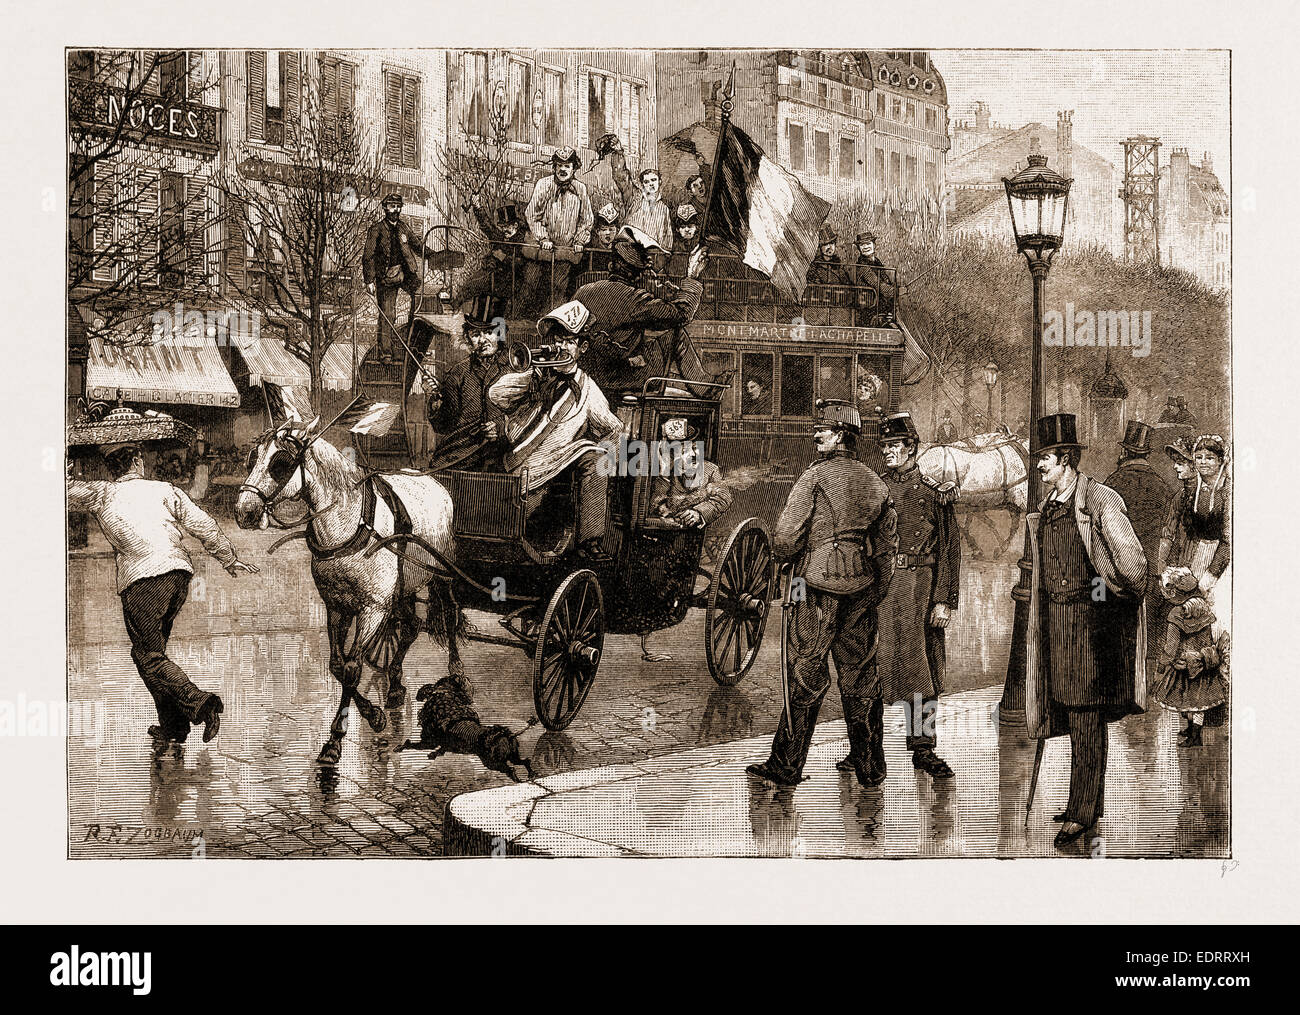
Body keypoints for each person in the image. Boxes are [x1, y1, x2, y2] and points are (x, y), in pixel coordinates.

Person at [746, 399, 899, 788]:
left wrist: (787, 558)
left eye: (824, 430)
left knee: (805, 676)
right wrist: (873, 592)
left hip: (813, 586)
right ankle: (871, 769)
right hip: (862, 586)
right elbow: (885, 551)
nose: (817, 434)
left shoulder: (813, 477)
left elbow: (784, 537)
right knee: (862, 679)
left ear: (841, 435)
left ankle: (786, 767)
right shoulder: (876, 482)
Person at [67, 441, 260, 746]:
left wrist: (65, 477)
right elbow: (203, 523)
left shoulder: (101, 492)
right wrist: (228, 557)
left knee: (147, 656)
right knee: (154, 654)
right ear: (138, 461)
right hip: (177, 577)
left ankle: (200, 702)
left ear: (111, 467)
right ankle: (174, 726)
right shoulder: (164, 489)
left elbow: (63, 493)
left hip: (141, 583)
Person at [1024, 413, 1148, 848]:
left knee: (1086, 717)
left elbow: (1131, 565)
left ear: (1067, 459)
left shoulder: (1099, 500)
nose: (1039, 465)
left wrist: (1097, 603)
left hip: (1089, 629)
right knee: (1070, 713)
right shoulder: (1050, 508)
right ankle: (1086, 802)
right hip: (1058, 627)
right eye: (1039, 458)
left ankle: (1082, 812)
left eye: (1045, 458)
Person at [488, 300, 627, 563]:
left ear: (582, 348)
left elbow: (615, 428)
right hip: (513, 468)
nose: (560, 347)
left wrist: (593, 455)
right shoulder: (535, 377)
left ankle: (590, 539)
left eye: (569, 341)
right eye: (557, 340)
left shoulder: (586, 388)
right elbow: (495, 395)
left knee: (595, 458)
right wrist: (530, 375)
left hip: (548, 474)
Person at [872, 411, 959, 779]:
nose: (888, 453)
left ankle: (923, 748)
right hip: (884, 587)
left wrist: (944, 600)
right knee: (872, 668)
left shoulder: (933, 495)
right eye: (885, 447)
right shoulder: (877, 491)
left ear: (912, 449)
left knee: (922, 671)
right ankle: (866, 748)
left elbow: (951, 550)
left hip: (921, 589)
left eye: (894, 446)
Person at [571, 225, 711, 397]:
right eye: (648, 271)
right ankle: (707, 390)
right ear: (638, 274)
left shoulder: (583, 291)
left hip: (589, 376)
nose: (652, 275)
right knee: (676, 335)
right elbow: (682, 314)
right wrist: (692, 277)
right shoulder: (634, 298)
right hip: (620, 379)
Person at [641, 417, 734, 662]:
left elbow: (723, 498)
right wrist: (661, 508)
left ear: (692, 445)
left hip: (690, 536)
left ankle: (665, 618)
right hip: (665, 530)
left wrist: (698, 512)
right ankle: (652, 622)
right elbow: (657, 498)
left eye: (680, 445)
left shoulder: (710, 470)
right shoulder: (666, 471)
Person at [1104, 420, 1171, 674]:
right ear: (1146, 455)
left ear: (1125, 453)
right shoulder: (1162, 486)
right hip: (1153, 569)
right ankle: (1151, 680)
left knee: (1116, 621)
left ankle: (1120, 678)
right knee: (1152, 626)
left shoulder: (1113, 482)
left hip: (1119, 568)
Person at [425, 293, 510, 472]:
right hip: (463, 453)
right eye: (476, 334)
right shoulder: (459, 372)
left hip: (503, 453)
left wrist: (502, 427)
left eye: (489, 332)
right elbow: (445, 425)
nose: (483, 340)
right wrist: (435, 401)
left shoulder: (515, 368)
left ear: (500, 334)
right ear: (468, 338)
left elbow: (529, 413)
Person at [1150, 565, 1229, 746]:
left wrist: (1161, 667)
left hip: (1186, 666)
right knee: (1199, 702)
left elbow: (1170, 648)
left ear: (1174, 592)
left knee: (1187, 700)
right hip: (1204, 662)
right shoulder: (1203, 607)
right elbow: (1210, 636)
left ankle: (1195, 737)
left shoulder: (1176, 614)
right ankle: (1194, 730)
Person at [364, 193, 435, 363]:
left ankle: (413, 346)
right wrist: (369, 280)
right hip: (385, 277)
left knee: (420, 300)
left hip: (405, 273)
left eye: (398, 206)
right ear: (385, 208)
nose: (395, 210)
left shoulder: (404, 227)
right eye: (392, 206)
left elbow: (418, 246)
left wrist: (435, 256)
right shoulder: (376, 230)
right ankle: (386, 353)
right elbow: (368, 256)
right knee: (388, 314)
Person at [1156, 434, 1231, 599]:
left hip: (1212, 564)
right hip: (1186, 565)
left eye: (1181, 463)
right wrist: (1162, 568)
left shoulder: (1221, 492)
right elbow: (1168, 533)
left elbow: (1226, 540)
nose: (1175, 467)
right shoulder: (1181, 496)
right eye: (1199, 458)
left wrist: (1208, 576)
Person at [523, 148, 594, 315]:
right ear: (554, 167)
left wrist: (579, 241)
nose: (563, 169)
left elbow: (587, 219)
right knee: (531, 284)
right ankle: (524, 322)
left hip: (565, 250)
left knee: (558, 288)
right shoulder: (543, 184)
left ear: (574, 168)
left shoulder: (580, 189)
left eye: (567, 165)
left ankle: (551, 324)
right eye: (559, 165)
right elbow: (532, 214)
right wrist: (542, 238)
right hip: (541, 249)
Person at [460, 198, 524, 314]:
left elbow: (521, 263)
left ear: (515, 225)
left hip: (510, 280)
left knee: (492, 295)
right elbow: (487, 226)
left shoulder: (522, 240)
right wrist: (478, 207)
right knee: (474, 286)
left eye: (507, 226)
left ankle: (487, 322)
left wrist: (503, 257)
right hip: (493, 276)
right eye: (502, 226)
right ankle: (474, 319)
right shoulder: (500, 237)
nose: (504, 229)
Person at [610, 141, 674, 252]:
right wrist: (618, 153)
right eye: (646, 182)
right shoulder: (635, 198)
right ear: (642, 184)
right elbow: (621, 178)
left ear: (660, 182)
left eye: (653, 180)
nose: (651, 184)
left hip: (653, 256)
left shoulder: (664, 208)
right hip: (631, 253)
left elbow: (667, 238)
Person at [852, 231, 904, 323]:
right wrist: (897, 291)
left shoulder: (877, 263)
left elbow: (886, 282)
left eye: (868, 243)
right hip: (869, 314)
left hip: (881, 311)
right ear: (859, 249)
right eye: (862, 245)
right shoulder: (862, 267)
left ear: (874, 245)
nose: (866, 247)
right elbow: (880, 286)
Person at [578, 203, 621, 277]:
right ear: (597, 231)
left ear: (617, 230)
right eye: (604, 230)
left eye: (611, 229)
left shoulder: (620, 250)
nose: (608, 233)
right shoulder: (589, 250)